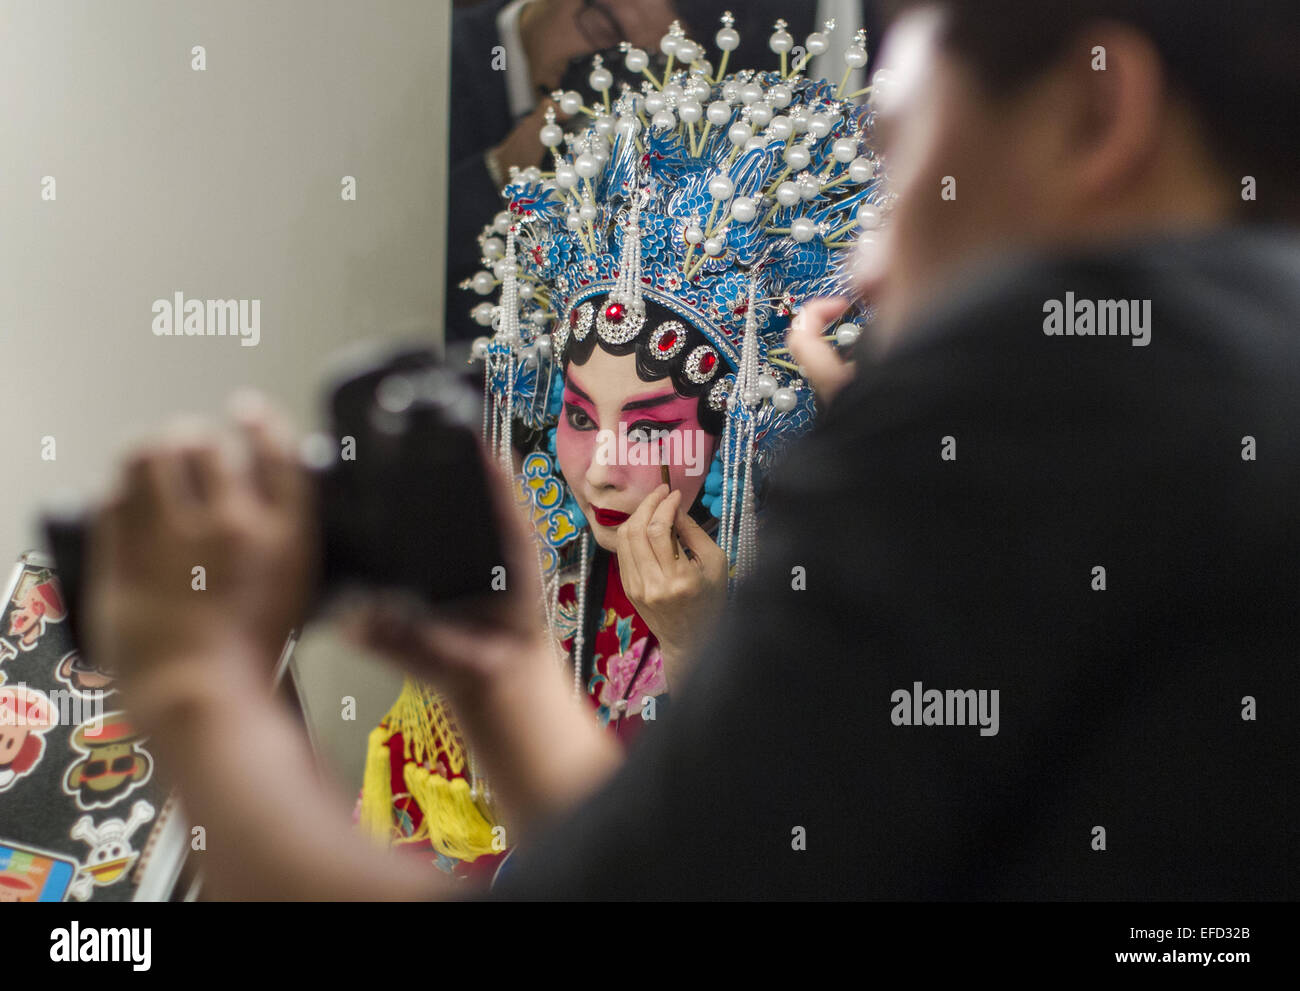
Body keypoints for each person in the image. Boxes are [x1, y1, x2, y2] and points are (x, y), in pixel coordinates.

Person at [83, 0, 1299, 900]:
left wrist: (197, 689)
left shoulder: (1031, 429)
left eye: (903, 142)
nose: (866, 264)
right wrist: (506, 674)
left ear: (1097, 107)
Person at [357, 17, 880, 883]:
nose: (600, 464)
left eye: (647, 424)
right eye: (577, 411)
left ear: (744, 425)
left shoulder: (820, 627)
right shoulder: (529, 591)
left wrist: (696, 653)